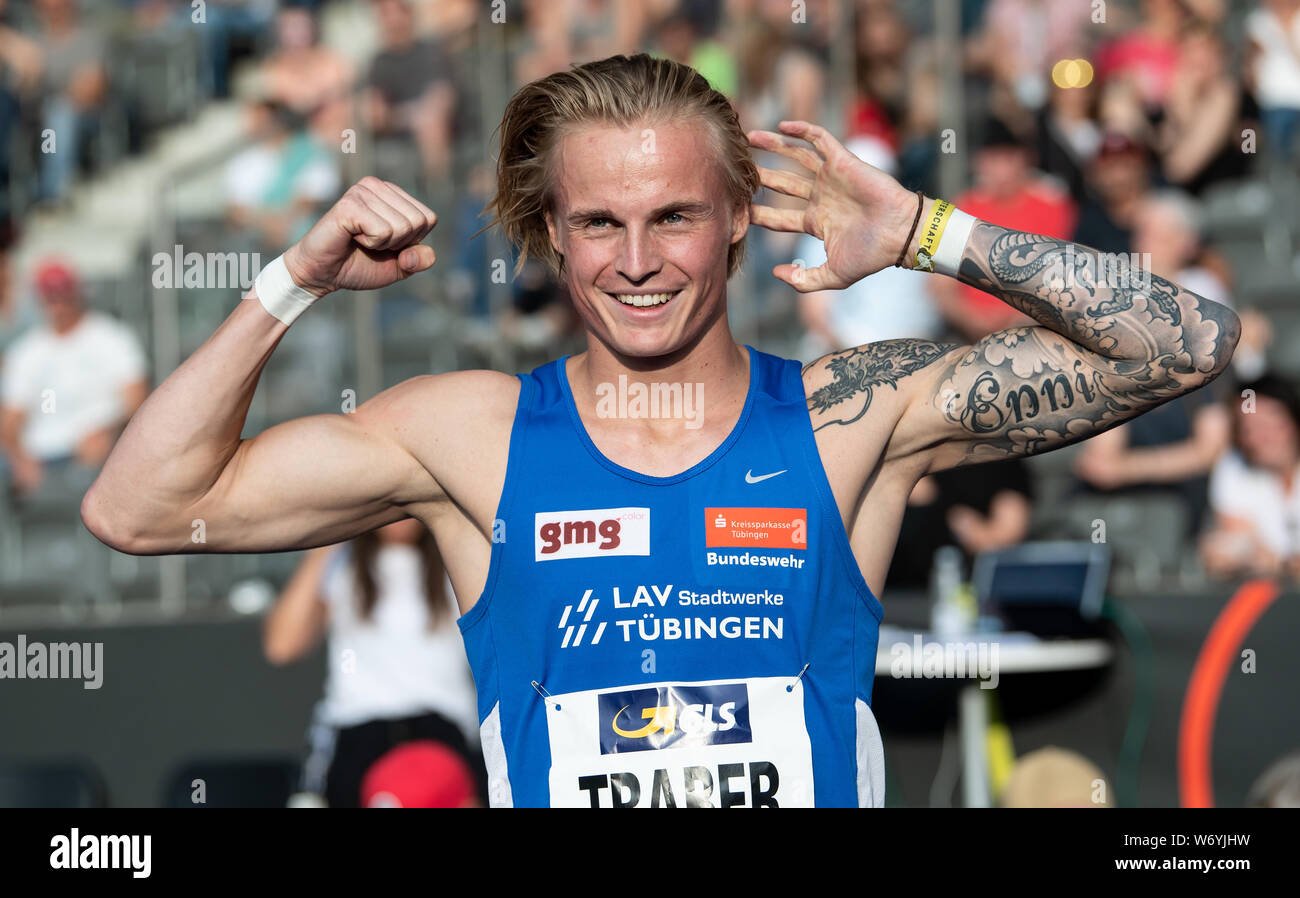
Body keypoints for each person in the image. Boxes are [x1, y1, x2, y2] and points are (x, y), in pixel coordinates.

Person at [82, 54, 1240, 808]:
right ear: (550, 233)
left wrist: (935, 233)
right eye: (598, 223)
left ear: (738, 214)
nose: (636, 263)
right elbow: (134, 508)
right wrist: (292, 280)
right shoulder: (469, 433)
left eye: (674, 216)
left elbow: (1187, 342)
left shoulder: (846, 414)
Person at [263, 517, 480, 808]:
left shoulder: (456, 561)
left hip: (440, 734)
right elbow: (282, 646)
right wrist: (330, 536)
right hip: (359, 734)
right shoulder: (342, 565)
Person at [2, 259, 147, 496]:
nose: (57, 303)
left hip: (102, 451)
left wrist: (111, 432)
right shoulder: (26, 352)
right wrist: (19, 458)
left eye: (62, 292)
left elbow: (137, 401)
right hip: (44, 457)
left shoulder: (112, 337)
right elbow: (11, 420)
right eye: (50, 295)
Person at [1200, 374, 1300, 581]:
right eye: (1247, 429)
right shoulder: (1233, 467)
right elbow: (1234, 542)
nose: (1256, 438)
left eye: (1268, 425)